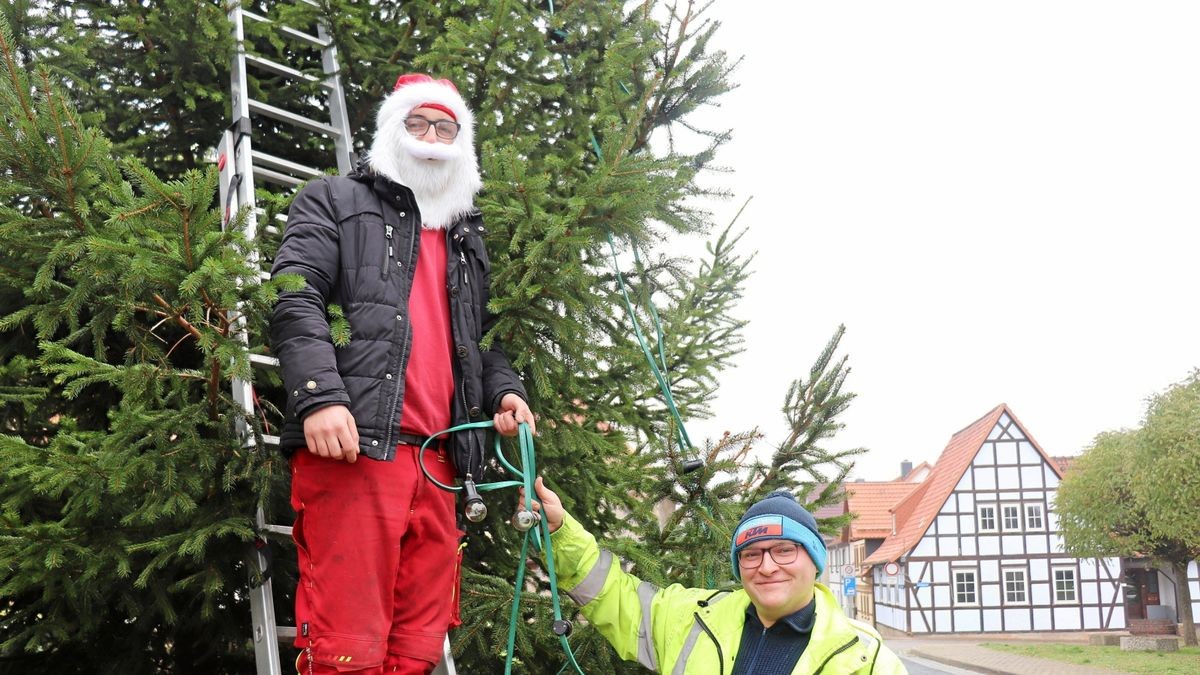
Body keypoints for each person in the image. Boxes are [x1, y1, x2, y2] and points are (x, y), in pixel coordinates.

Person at [270, 73, 535, 675]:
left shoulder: (468, 240)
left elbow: (481, 341)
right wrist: (319, 397)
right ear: (393, 130)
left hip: (444, 466)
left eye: (446, 128)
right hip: (358, 453)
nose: (431, 138)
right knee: (346, 650)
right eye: (418, 124)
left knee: (416, 650)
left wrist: (506, 391)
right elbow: (294, 296)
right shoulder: (333, 199)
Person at [523, 478, 907, 674]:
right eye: (751, 554)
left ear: (815, 561)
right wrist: (560, 533)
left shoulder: (864, 657)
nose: (767, 566)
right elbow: (614, 594)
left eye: (784, 550)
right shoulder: (690, 618)